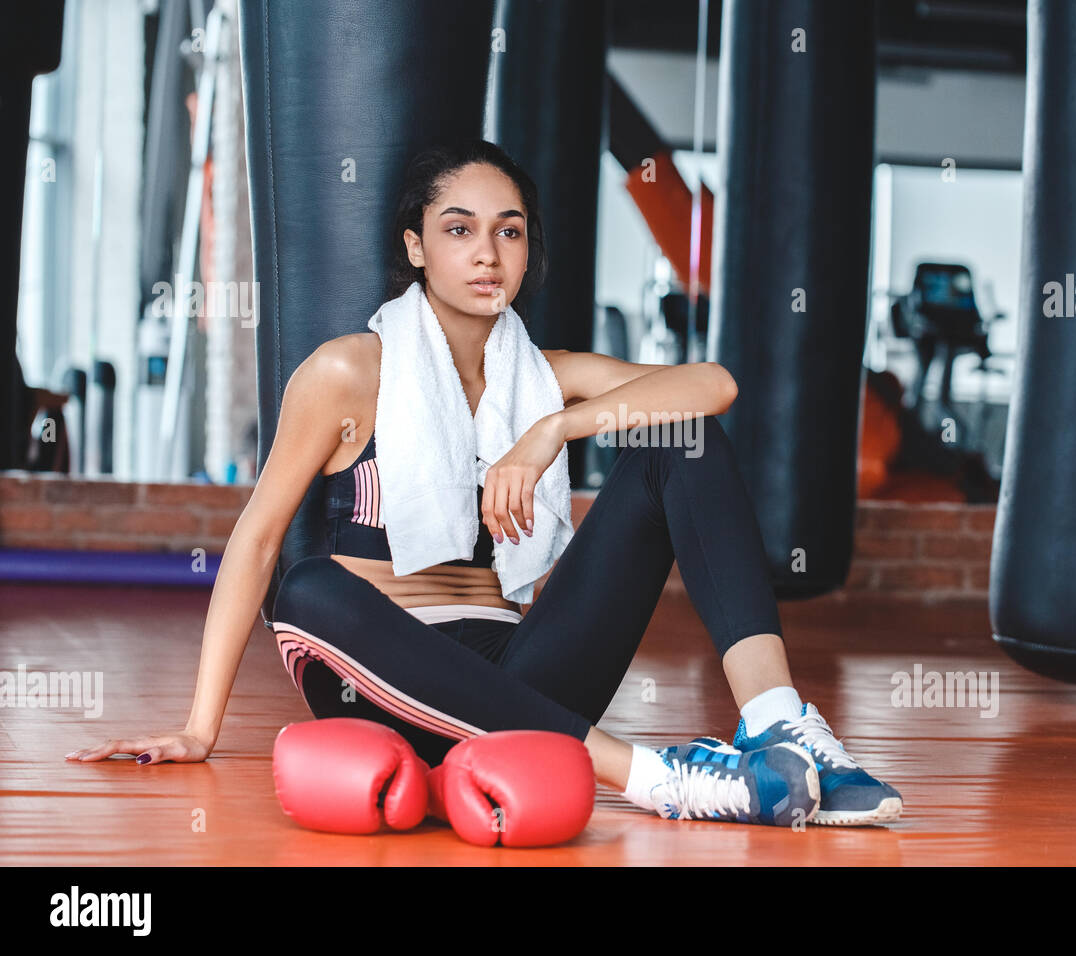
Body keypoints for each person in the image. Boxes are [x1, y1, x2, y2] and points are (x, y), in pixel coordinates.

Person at [66, 139, 902, 827]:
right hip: (377, 675)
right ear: (416, 247)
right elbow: (253, 542)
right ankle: (662, 778)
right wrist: (197, 728)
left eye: (509, 231)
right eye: (459, 229)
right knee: (307, 583)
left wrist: (552, 429)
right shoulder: (349, 372)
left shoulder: (541, 377)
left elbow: (711, 385)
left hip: (514, 674)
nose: (486, 253)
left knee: (678, 441)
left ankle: (779, 724)